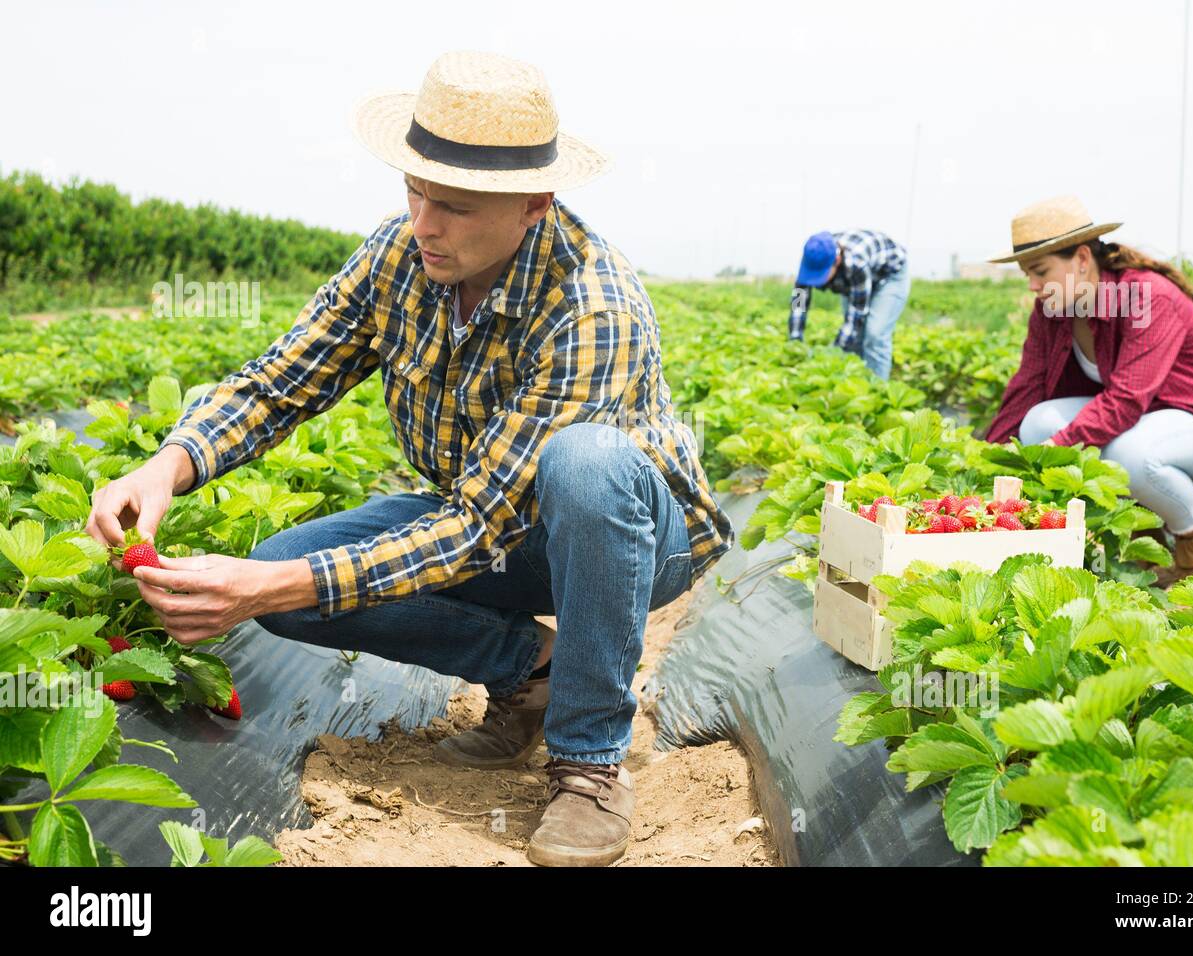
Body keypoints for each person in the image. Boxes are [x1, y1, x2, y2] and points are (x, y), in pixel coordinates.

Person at [83, 50, 733, 867]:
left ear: (533, 204)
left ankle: (589, 764)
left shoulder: (591, 305)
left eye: (454, 207)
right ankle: (535, 669)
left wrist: (270, 587)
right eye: (414, 191)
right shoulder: (401, 255)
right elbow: (280, 385)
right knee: (284, 576)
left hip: (631, 536)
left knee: (586, 465)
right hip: (495, 524)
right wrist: (167, 464)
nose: (424, 222)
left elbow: (472, 529)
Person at [984, 196, 1193, 585]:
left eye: (1040, 271)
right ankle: (1143, 553)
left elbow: (1125, 403)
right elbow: (1026, 387)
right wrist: (992, 459)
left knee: (1129, 453)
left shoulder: (1147, 298)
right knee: (1035, 425)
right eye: (1026, 275)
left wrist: (1056, 448)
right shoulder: (1052, 310)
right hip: (1146, 419)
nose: (1033, 286)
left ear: (1081, 259)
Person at [787, 228, 911, 379]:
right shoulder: (812, 259)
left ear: (837, 261)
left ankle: (877, 389)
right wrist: (795, 340)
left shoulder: (855, 262)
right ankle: (856, 384)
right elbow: (798, 304)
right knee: (855, 340)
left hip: (889, 276)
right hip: (853, 279)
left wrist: (832, 354)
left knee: (875, 334)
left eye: (822, 274)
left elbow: (855, 319)